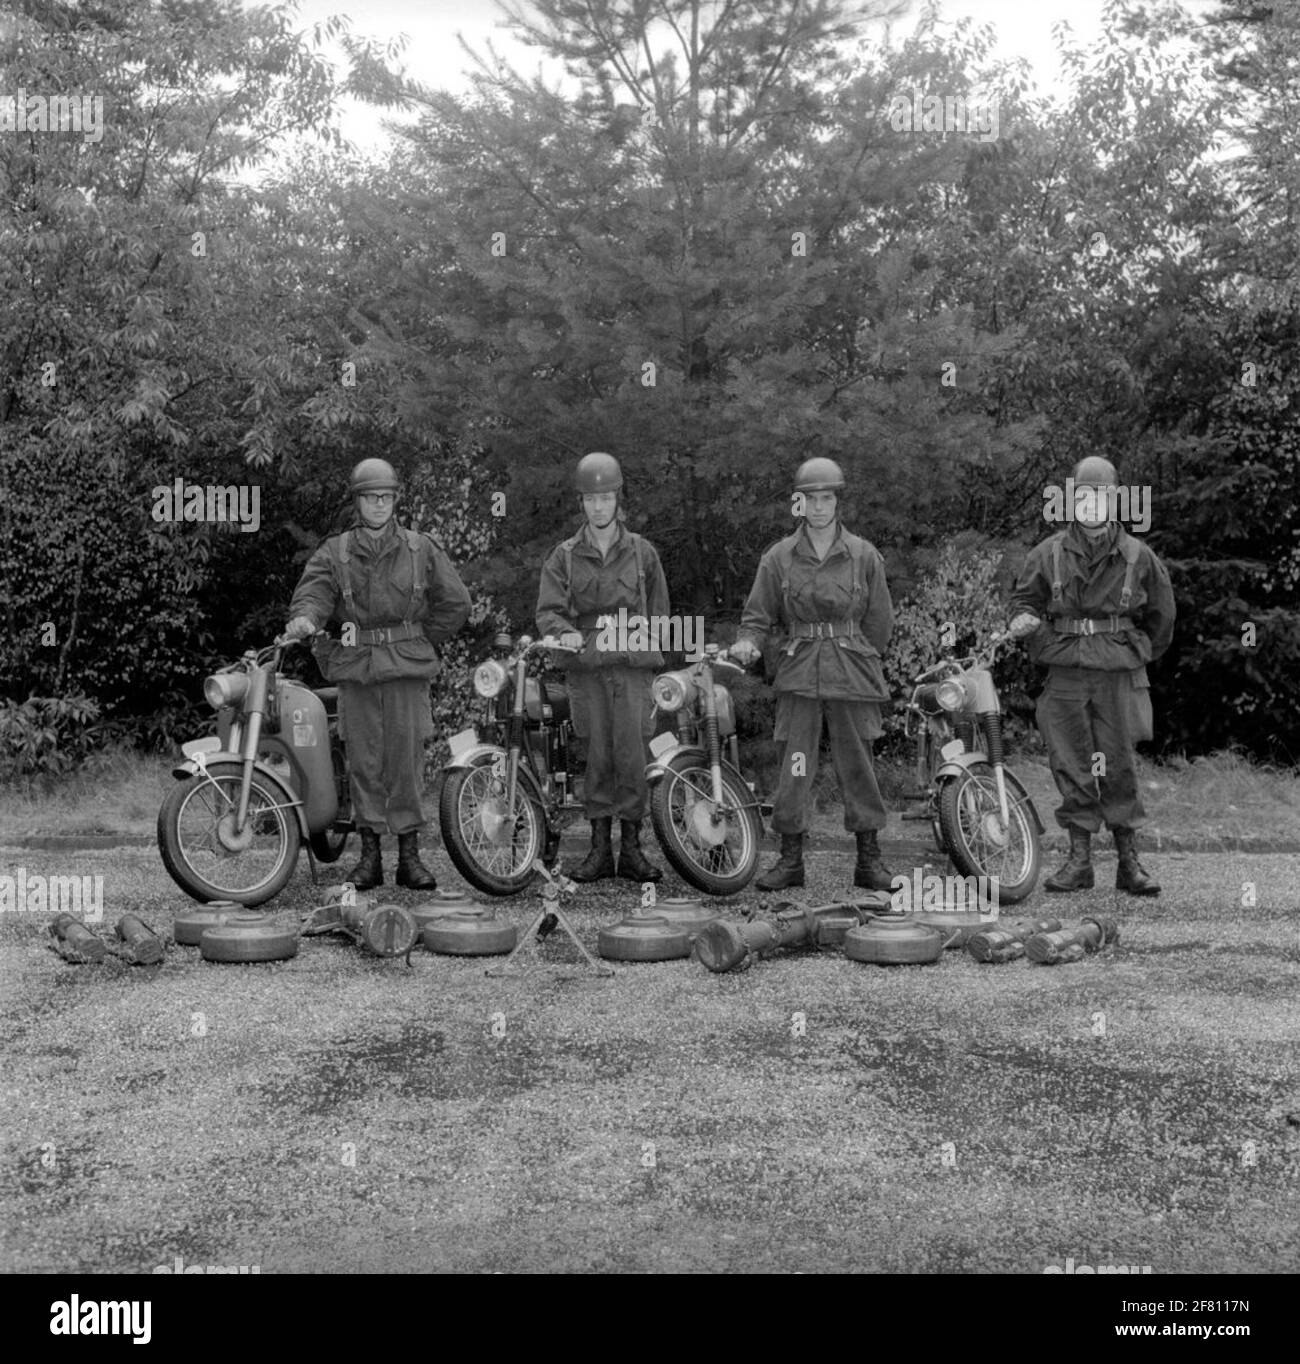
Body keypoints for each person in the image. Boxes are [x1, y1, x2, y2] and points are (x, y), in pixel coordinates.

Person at [283, 458, 471, 890]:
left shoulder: (420, 548)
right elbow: (312, 596)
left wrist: (419, 639)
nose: (379, 504)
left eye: (386, 496)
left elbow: (457, 603)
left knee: (406, 761)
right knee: (364, 764)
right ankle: (369, 857)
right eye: (371, 497)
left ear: (395, 500)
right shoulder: (336, 552)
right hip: (357, 669)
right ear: (358, 502)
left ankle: (409, 857)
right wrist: (306, 620)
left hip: (406, 670)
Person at [1008, 456, 1176, 895]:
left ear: (1114, 500)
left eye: (1099, 495)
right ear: (1072, 501)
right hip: (1064, 672)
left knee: (1118, 763)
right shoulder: (1048, 554)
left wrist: (1132, 653)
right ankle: (1079, 861)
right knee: (1069, 763)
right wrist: (1027, 622)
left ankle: (1128, 862)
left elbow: (1162, 620)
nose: (1090, 504)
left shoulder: (1139, 557)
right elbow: (1024, 602)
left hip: (1117, 674)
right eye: (1082, 495)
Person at [730, 458, 895, 892]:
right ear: (798, 504)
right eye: (811, 499)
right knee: (796, 765)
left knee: (858, 763)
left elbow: (880, 622)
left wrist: (859, 654)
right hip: (800, 671)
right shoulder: (779, 557)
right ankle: (790, 860)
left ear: (837, 501)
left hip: (851, 671)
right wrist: (749, 642)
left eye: (827, 498)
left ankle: (869, 859)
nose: (819, 507)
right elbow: (757, 616)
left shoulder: (862, 554)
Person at [535, 452, 670, 883]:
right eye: (591, 499)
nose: (598, 506)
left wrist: (649, 644)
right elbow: (548, 613)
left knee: (632, 752)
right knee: (595, 754)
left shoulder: (643, 553)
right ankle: (598, 849)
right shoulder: (564, 557)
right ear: (582, 503)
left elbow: (662, 616)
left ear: (617, 500)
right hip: (587, 668)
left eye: (606, 497)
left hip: (631, 668)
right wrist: (565, 632)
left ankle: (631, 849)